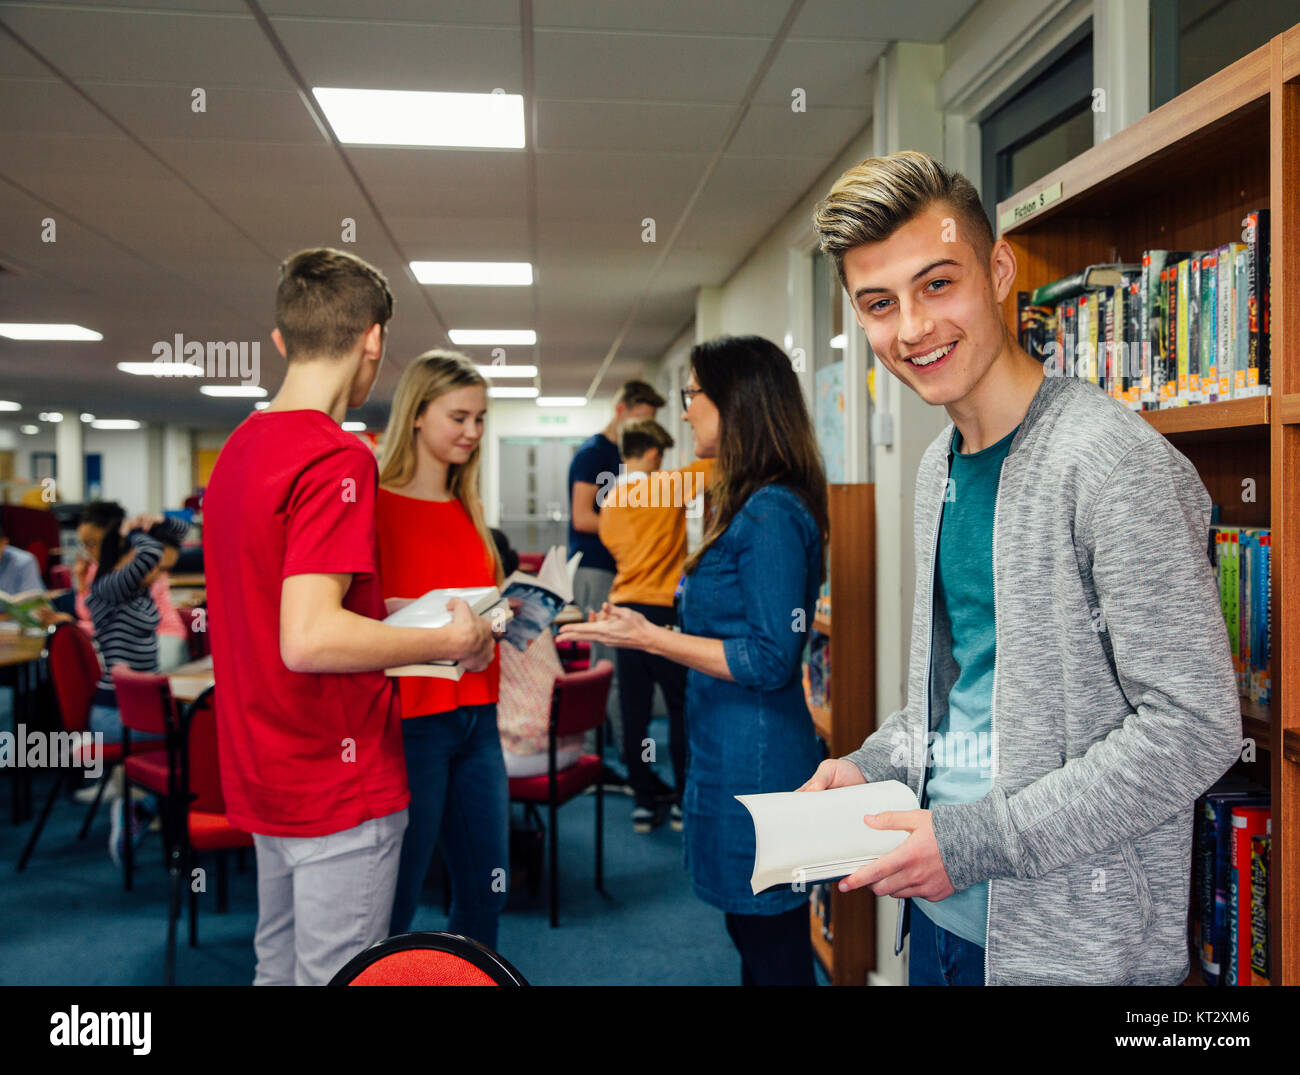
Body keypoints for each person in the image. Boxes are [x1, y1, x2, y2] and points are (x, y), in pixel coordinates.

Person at [800, 149, 1241, 986]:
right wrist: (874, 764)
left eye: (938, 284)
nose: (914, 329)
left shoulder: (1111, 465)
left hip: (1071, 949)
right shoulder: (939, 468)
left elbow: (1194, 725)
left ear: (998, 270)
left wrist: (974, 841)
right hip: (937, 915)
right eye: (880, 304)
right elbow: (966, 688)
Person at [202, 248, 495, 987]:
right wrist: (448, 637)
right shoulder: (337, 456)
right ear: (373, 339)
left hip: (265, 772)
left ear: (282, 341)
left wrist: (388, 615)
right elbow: (309, 636)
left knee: (277, 968)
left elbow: (280, 605)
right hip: (337, 779)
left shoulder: (236, 452)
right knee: (341, 978)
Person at [560, 336, 827, 986]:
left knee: (772, 943)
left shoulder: (769, 512)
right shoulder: (743, 500)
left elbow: (769, 657)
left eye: (693, 397)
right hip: (727, 746)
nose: (683, 414)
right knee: (751, 933)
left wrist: (652, 638)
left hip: (759, 757)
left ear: (734, 402)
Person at [374, 350, 509, 948]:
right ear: (417, 416)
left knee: (485, 889)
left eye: (480, 419)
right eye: (459, 417)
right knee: (395, 899)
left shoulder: (467, 506)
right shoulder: (374, 506)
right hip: (412, 722)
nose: (472, 432)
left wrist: (502, 616)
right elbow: (358, 623)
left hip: (478, 716)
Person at [596, 418, 701, 834]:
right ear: (655, 453)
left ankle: (643, 799)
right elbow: (719, 467)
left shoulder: (611, 502)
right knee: (679, 709)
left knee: (635, 712)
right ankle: (681, 799)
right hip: (662, 614)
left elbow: (614, 548)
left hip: (624, 612)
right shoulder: (669, 485)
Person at [567, 379, 665, 787]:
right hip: (596, 569)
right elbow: (582, 518)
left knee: (617, 664)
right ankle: (594, 758)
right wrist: (630, 532)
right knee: (607, 664)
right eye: (641, 420)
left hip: (620, 571)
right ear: (622, 410)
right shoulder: (595, 455)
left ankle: (619, 753)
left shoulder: (624, 455)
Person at [78, 502, 190, 861]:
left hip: (136, 710)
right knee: (198, 734)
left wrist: (157, 520)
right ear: (125, 555)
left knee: (196, 731)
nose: (159, 570)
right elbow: (153, 551)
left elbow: (178, 537)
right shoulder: (110, 587)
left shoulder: (135, 592)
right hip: (117, 716)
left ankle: (145, 808)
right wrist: (136, 532)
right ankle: (163, 822)